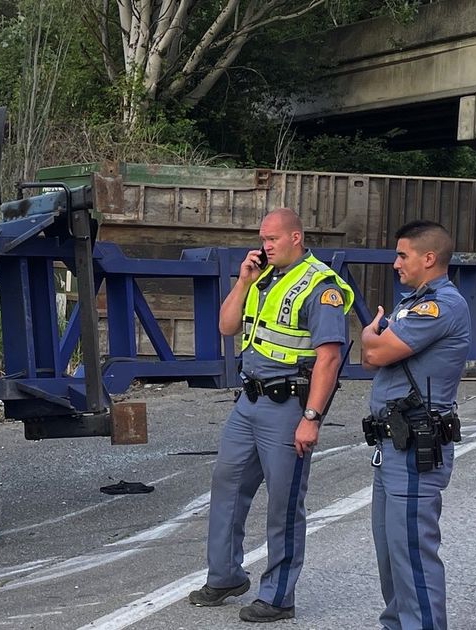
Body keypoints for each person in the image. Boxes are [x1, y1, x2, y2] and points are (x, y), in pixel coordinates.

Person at [188, 207, 353, 622]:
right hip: (249, 402)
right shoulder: (262, 278)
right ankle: (225, 575)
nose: (265, 246)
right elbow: (227, 326)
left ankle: (278, 597)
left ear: (296, 237)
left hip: (288, 406)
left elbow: (329, 359)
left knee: (284, 502)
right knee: (227, 484)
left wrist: (312, 417)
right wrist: (244, 280)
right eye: (263, 239)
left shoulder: (321, 286)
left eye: (272, 239)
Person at [361, 220, 468, 630]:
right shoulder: (413, 303)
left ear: (428, 258)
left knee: (411, 555)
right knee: (391, 553)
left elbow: (376, 354)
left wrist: (370, 338)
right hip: (392, 444)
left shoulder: (441, 306)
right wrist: (375, 346)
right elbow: (373, 357)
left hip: (414, 448)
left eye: (402, 255)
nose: (395, 263)